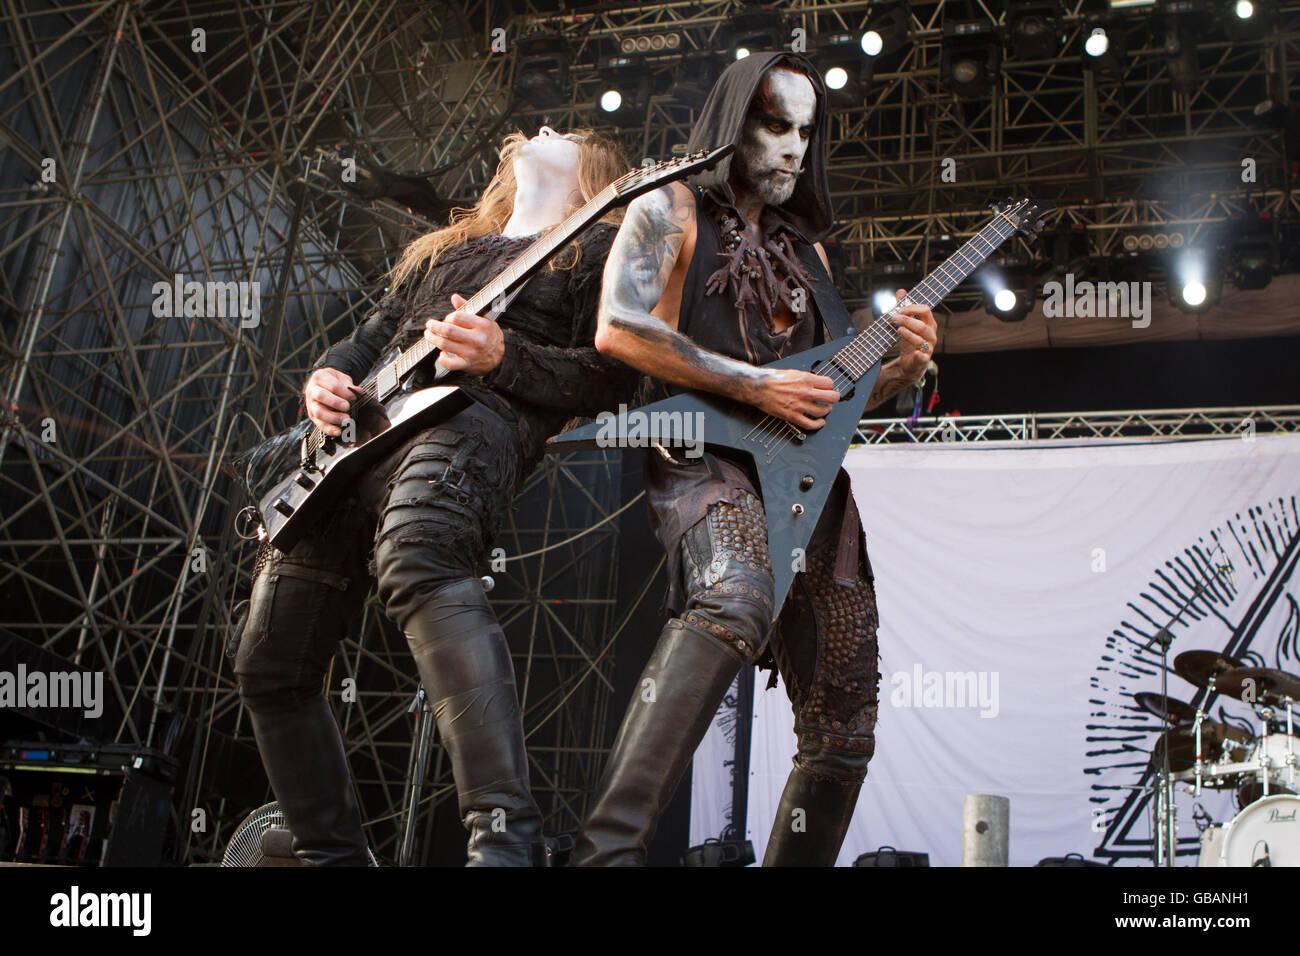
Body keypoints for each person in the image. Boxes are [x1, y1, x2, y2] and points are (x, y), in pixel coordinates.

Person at [231, 126, 636, 865]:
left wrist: (504, 354)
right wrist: (326, 376)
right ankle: (332, 856)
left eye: (569, 132)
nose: (543, 129)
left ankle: (505, 841)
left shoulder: (604, 249)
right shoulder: (446, 251)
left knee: (418, 555)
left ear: (596, 173)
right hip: (353, 446)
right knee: (269, 659)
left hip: (475, 422)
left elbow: (615, 380)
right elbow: (374, 335)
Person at [572, 52, 938, 866]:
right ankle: (607, 855)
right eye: (775, 125)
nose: (793, 149)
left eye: (806, 132)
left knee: (848, 710)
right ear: (733, 121)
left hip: (808, 485)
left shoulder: (811, 256)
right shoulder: (668, 205)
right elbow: (619, 326)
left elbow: (826, 399)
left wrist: (900, 373)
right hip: (706, 455)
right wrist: (759, 386)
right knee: (733, 594)